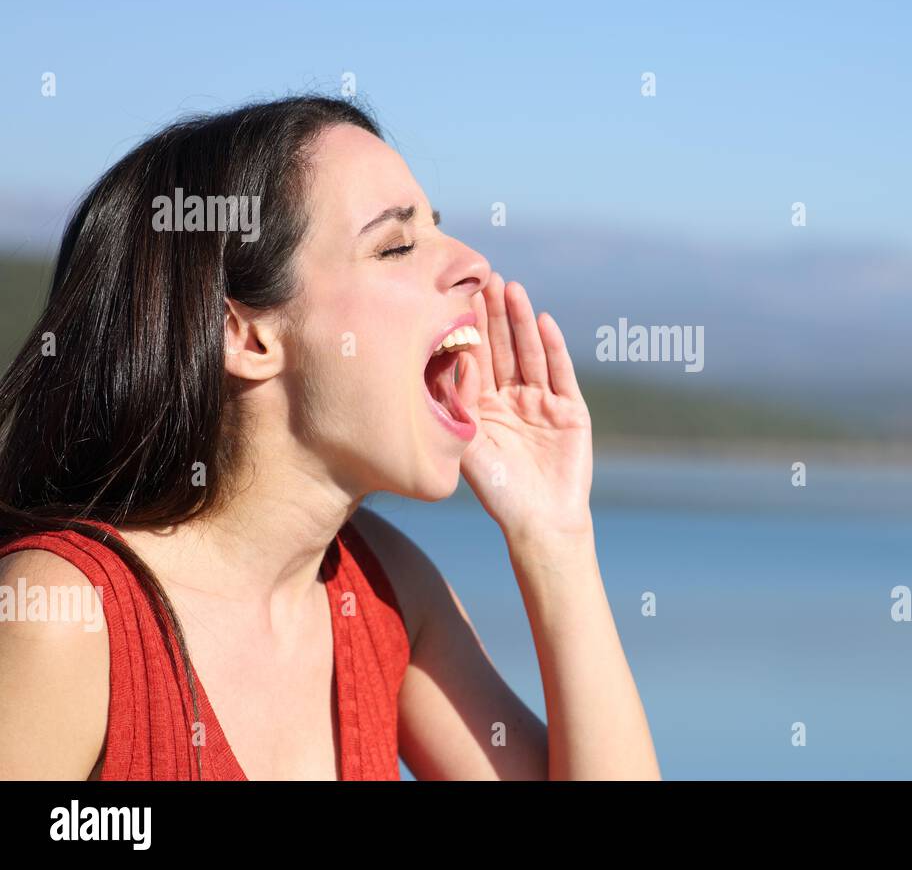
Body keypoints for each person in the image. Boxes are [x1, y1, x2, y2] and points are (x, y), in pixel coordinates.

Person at [0, 96, 660, 780]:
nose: (473, 264)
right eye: (396, 245)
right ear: (246, 335)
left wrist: (555, 536)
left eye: (436, 229)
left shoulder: (384, 590)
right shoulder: (66, 621)